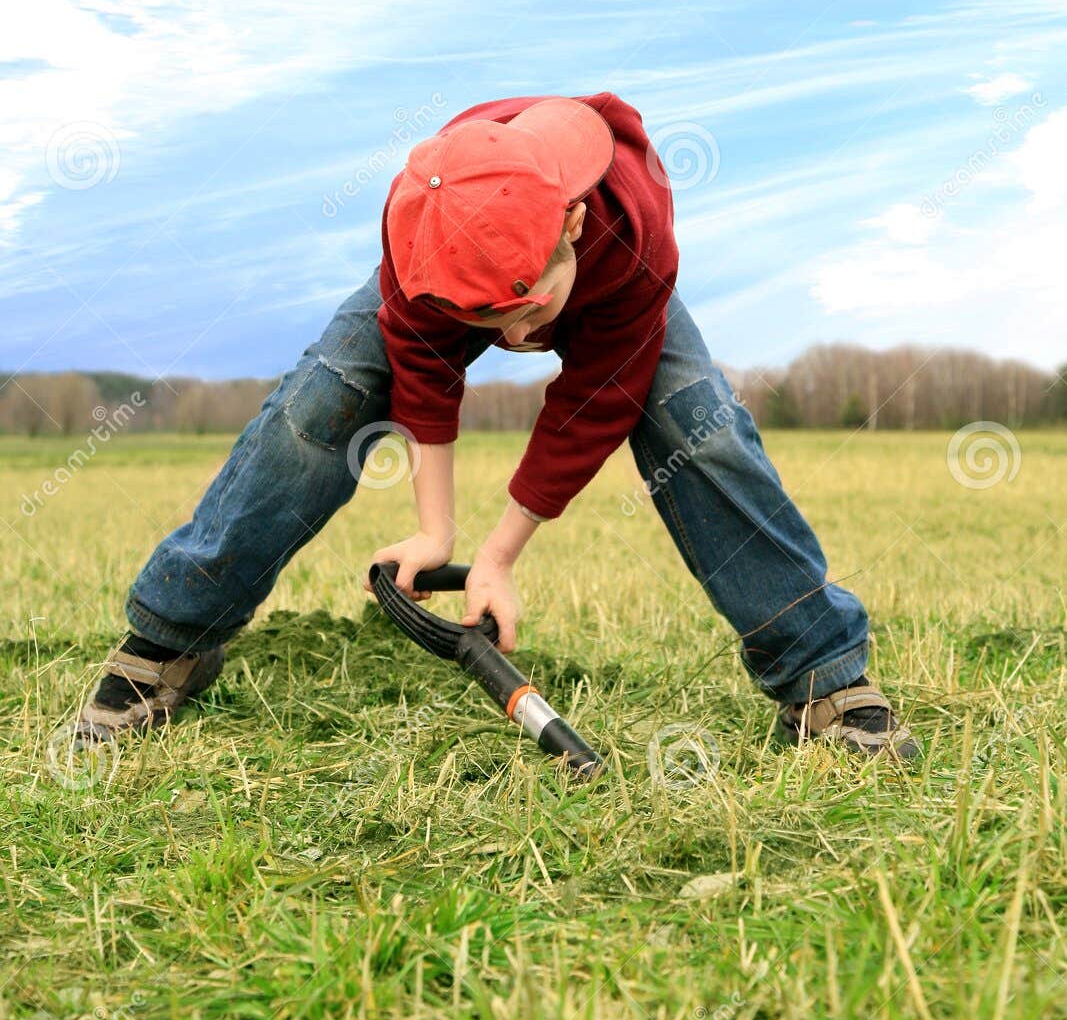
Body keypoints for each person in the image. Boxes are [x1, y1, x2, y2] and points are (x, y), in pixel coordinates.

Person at [74, 93, 918, 762]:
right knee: (316, 403)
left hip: (610, 276)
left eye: (528, 312)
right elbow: (423, 370)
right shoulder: (420, 233)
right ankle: (169, 640)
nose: (514, 341)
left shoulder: (629, 230)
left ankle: (820, 676)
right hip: (456, 262)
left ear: (572, 230)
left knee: (701, 428)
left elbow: (592, 404)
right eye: (489, 322)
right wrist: (435, 532)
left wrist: (501, 557)